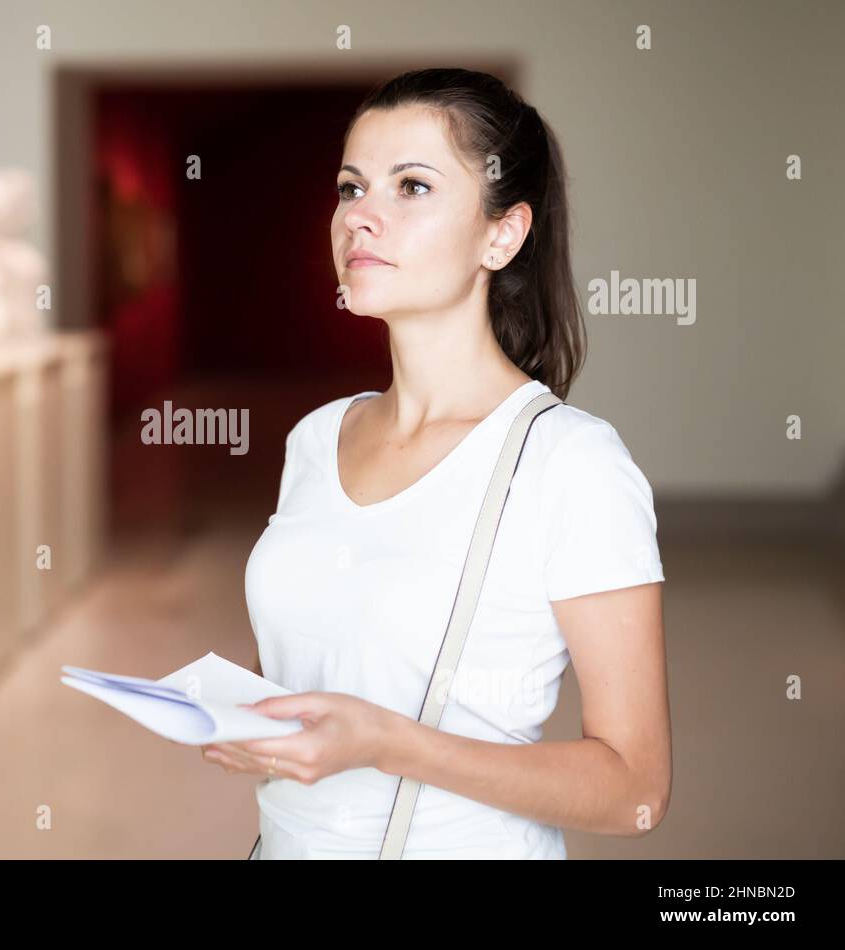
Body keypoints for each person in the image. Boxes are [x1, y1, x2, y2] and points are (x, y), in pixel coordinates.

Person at [200, 68, 671, 859]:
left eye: (412, 186)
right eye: (351, 188)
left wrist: (389, 743)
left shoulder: (569, 464)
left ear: (503, 234)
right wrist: (244, 718)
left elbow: (636, 791)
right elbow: (302, 669)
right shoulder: (317, 439)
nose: (361, 218)